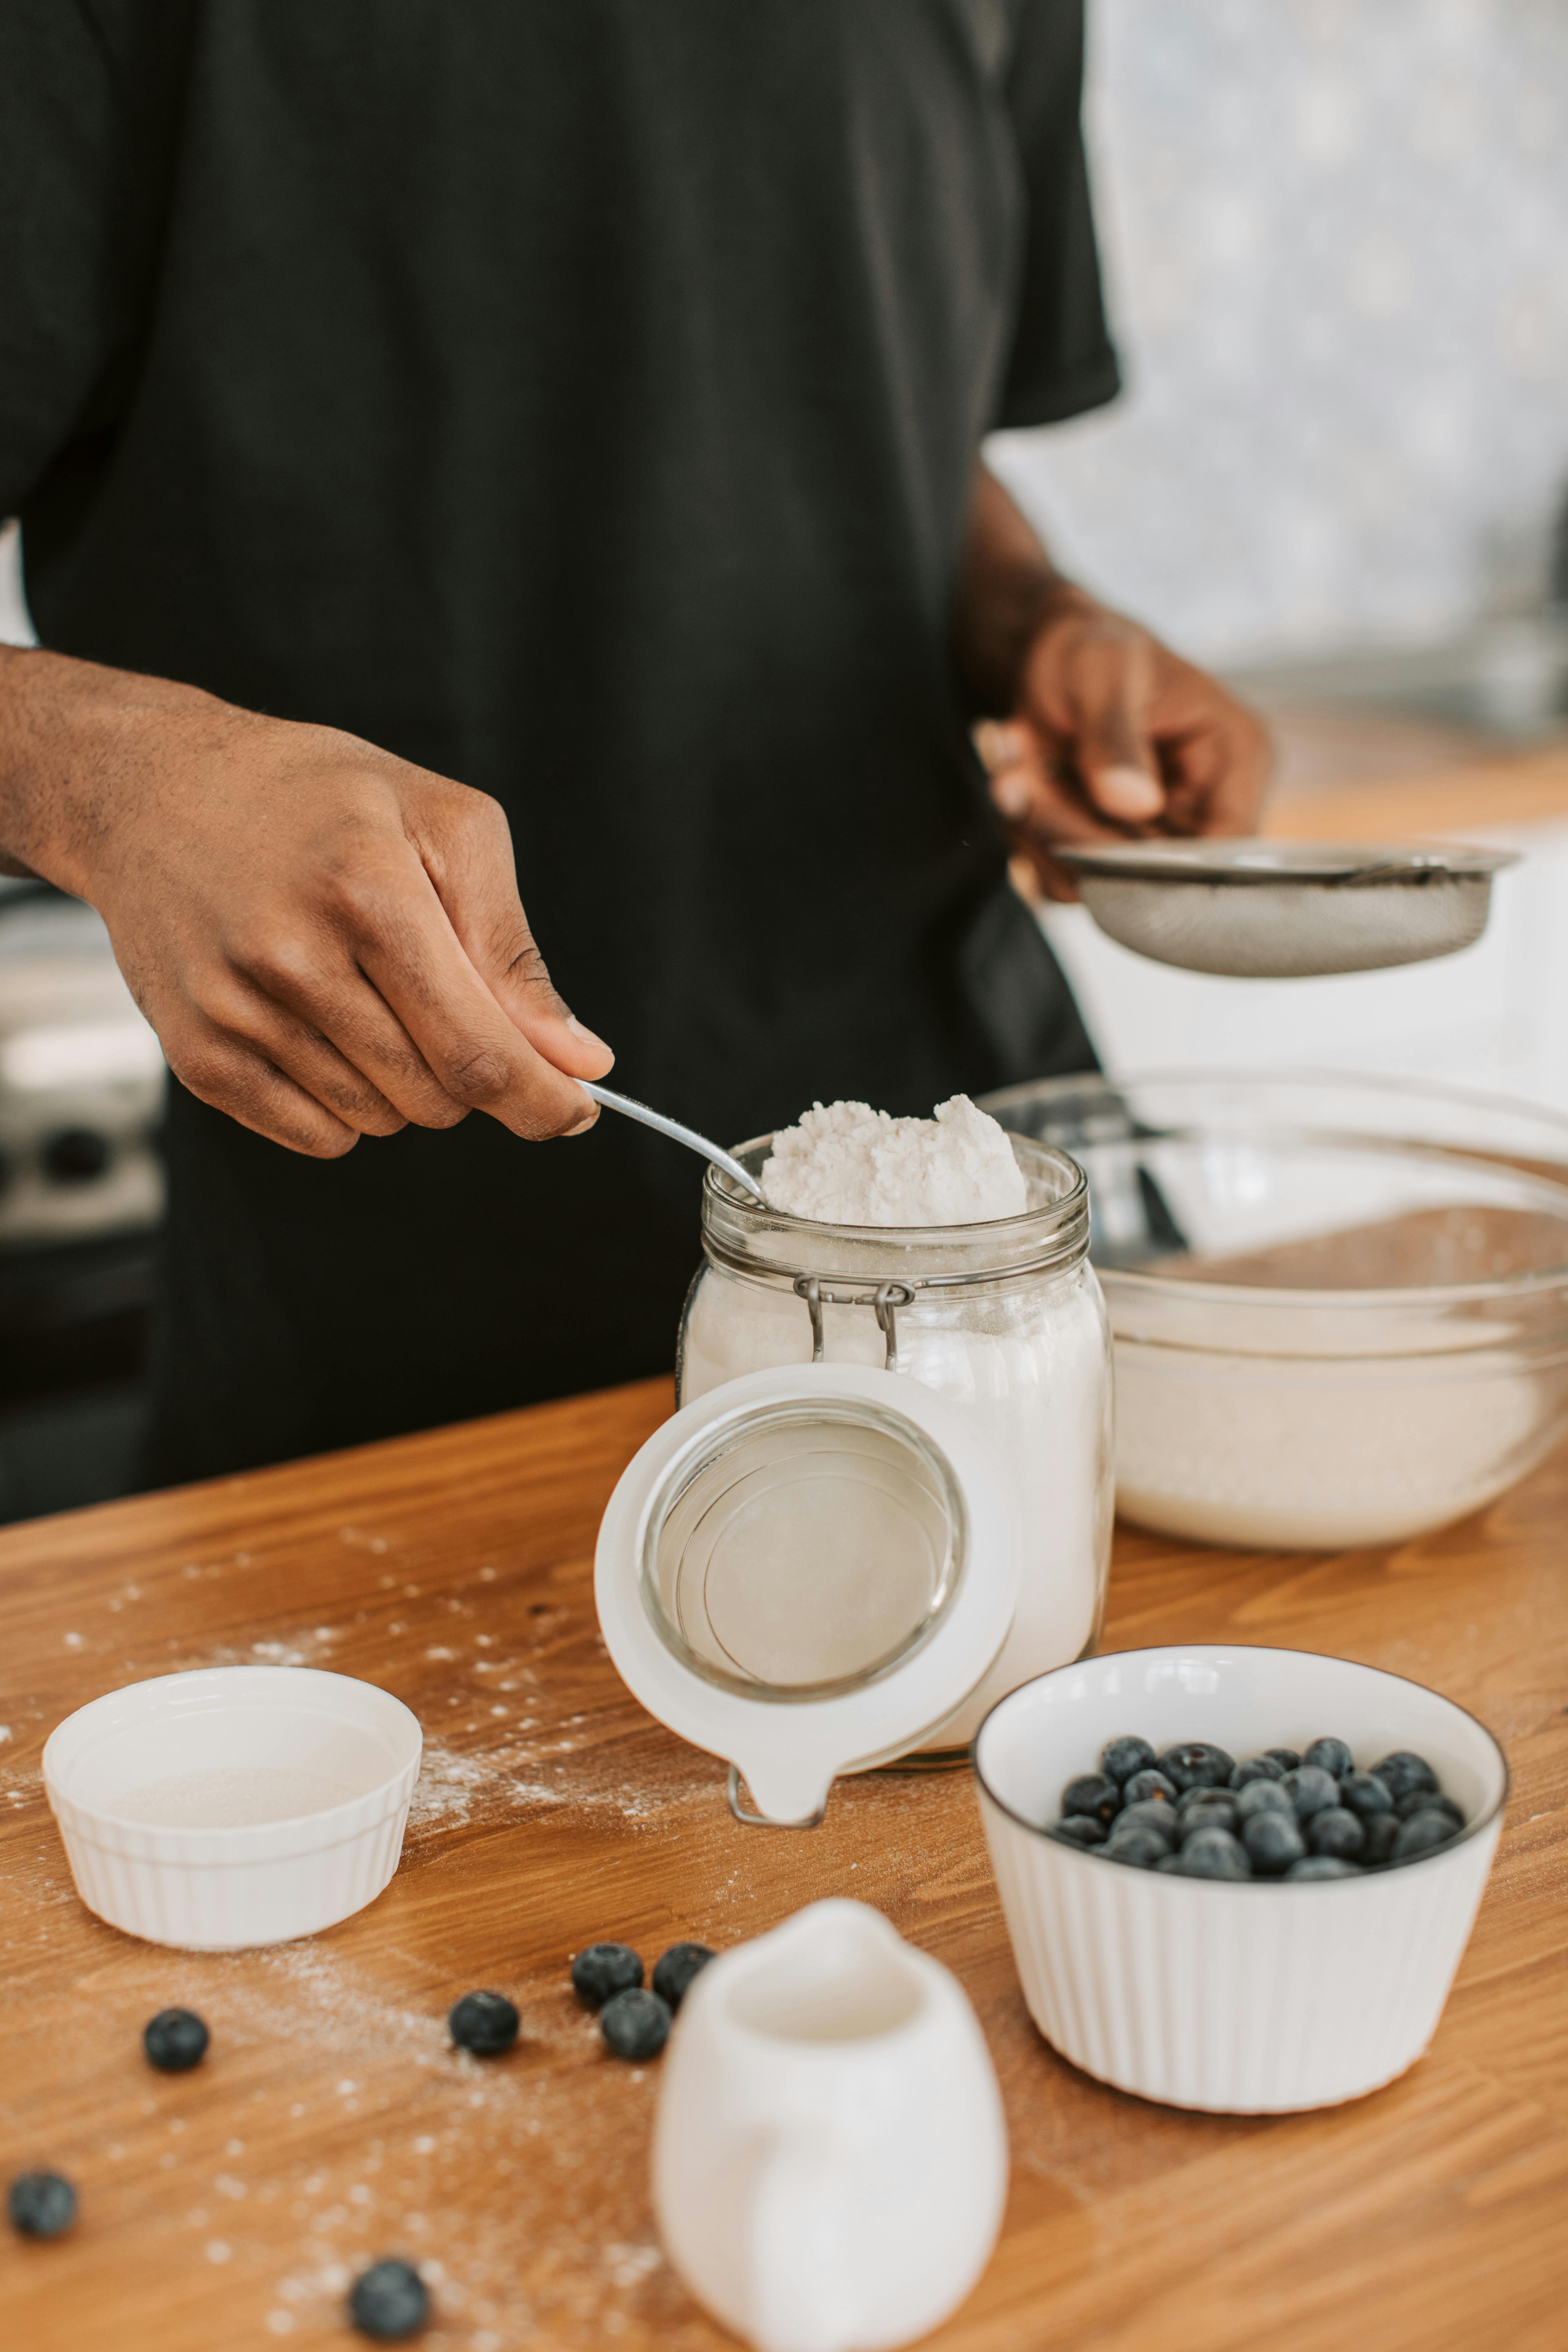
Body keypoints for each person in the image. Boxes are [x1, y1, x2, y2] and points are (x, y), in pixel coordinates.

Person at [0, 2, 1267, 1484]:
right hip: (410, 1286)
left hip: (993, 1202)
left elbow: (871, 419)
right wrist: (99, 777)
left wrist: (1035, 619)